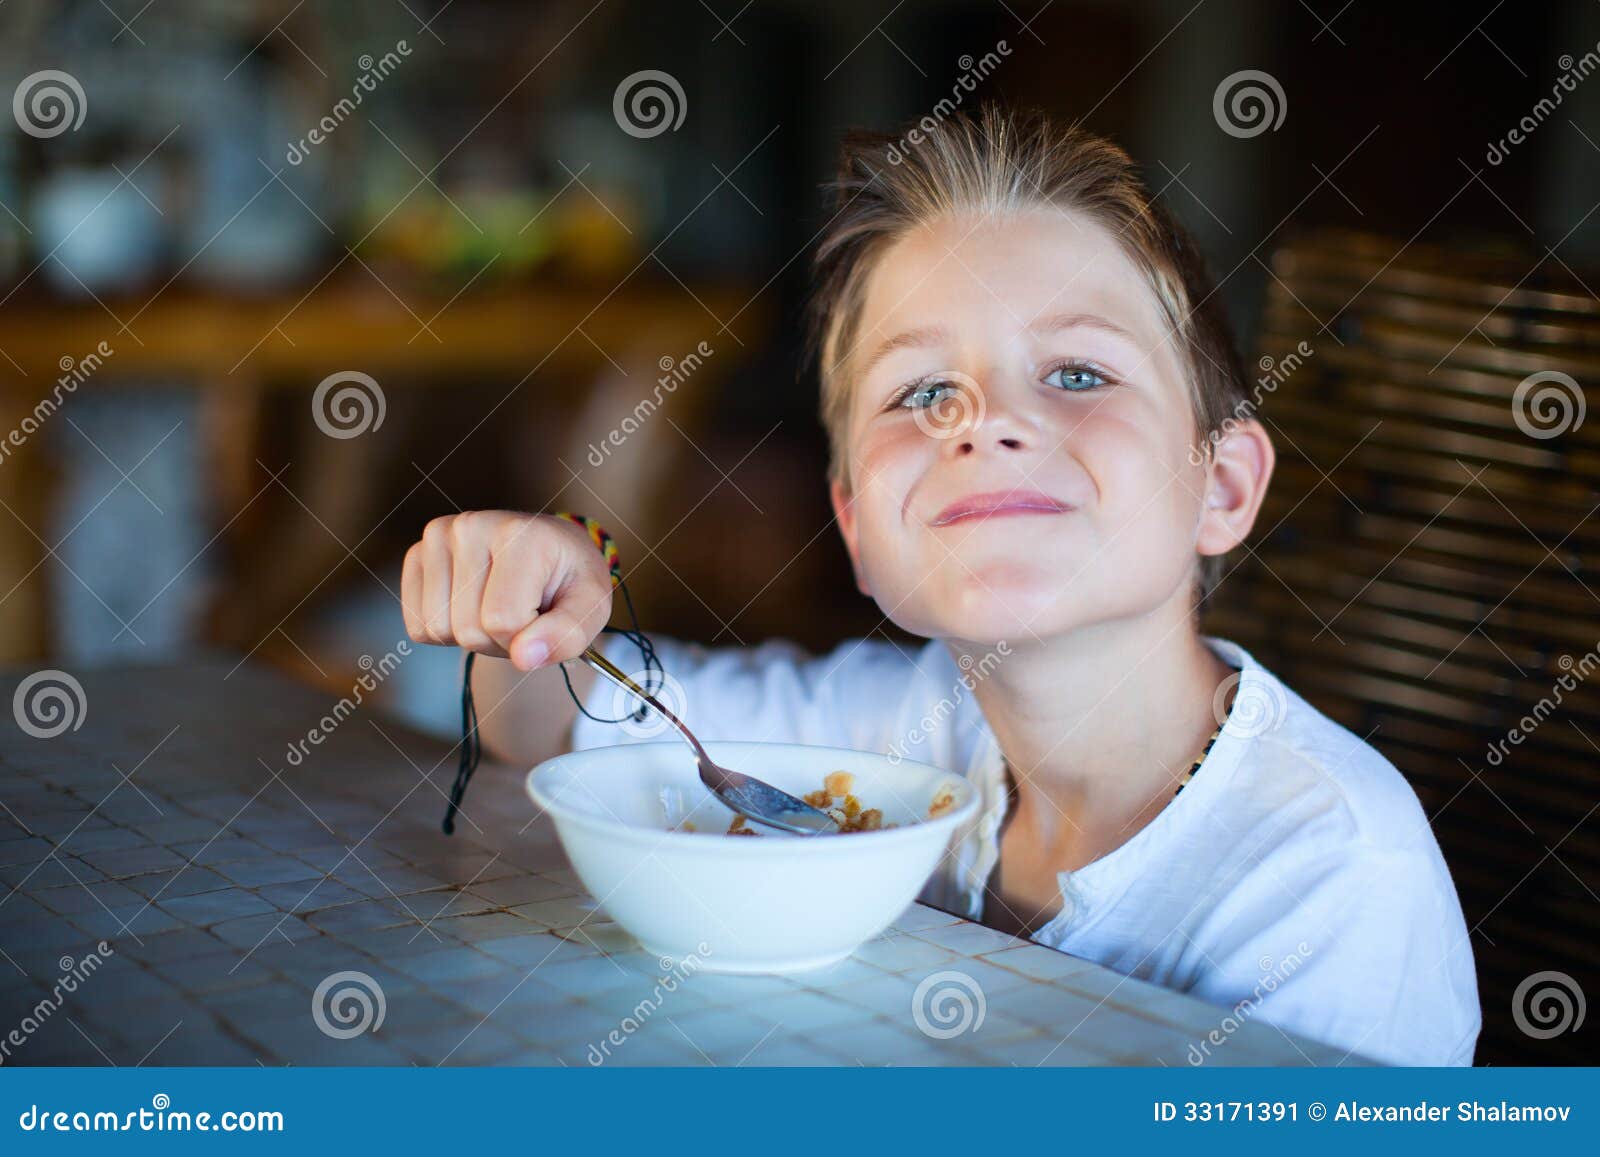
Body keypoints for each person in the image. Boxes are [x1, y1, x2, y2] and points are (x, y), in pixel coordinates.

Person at [400, 103, 1480, 1067]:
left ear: (1223, 484)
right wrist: (530, 600)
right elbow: (552, 734)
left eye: (1076, 373)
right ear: (860, 530)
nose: (984, 421)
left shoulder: (1330, 881)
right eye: (922, 389)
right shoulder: (893, 725)